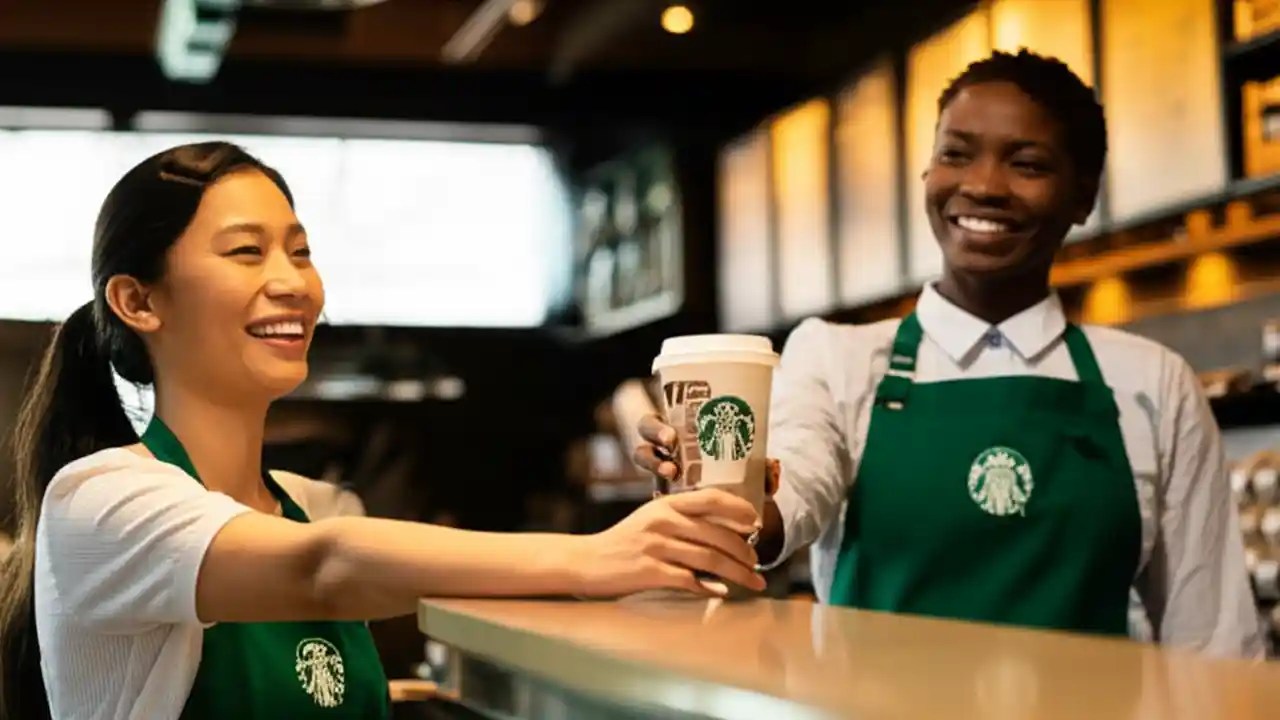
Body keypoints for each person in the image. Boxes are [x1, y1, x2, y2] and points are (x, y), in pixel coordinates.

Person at [0, 142, 766, 720]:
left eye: (300, 250)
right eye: (246, 252)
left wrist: (688, 522)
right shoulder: (99, 498)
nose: (292, 280)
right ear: (138, 301)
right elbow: (322, 569)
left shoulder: (314, 503)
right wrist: (603, 552)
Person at [635, 49, 1265, 658]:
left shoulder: (1153, 383)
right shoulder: (838, 357)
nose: (984, 185)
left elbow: (1212, 641)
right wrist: (714, 493)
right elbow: (792, 494)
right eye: (955, 155)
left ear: (1083, 196)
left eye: (1027, 163)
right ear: (928, 175)